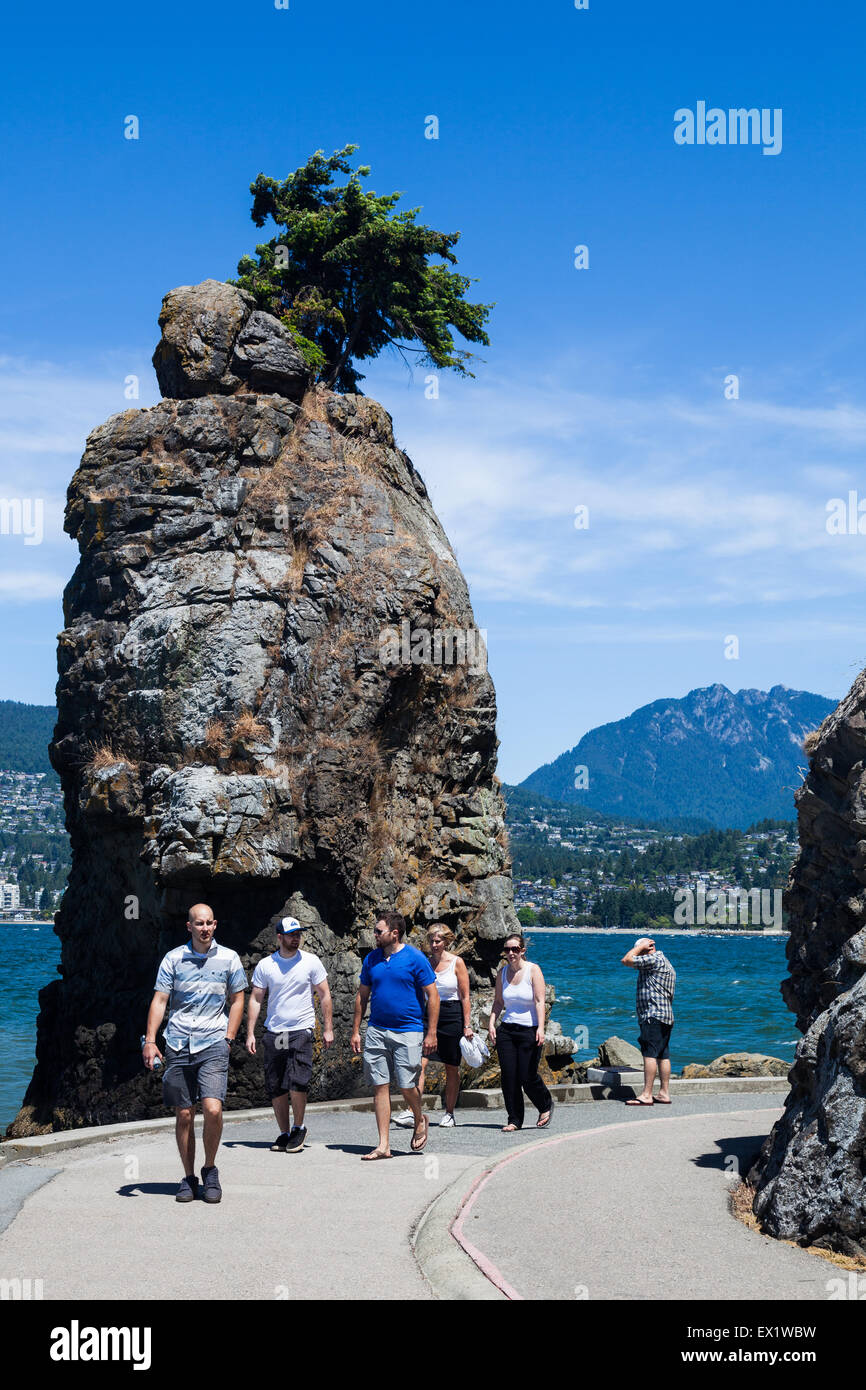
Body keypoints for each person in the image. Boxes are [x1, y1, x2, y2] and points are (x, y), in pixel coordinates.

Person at [143, 903, 246, 1204]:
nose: (204, 928)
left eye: (209, 923)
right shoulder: (173, 958)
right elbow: (160, 1000)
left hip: (214, 1042)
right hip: (178, 1043)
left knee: (213, 1109)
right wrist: (150, 1041)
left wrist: (229, 1037)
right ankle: (188, 1177)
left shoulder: (229, 958)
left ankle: (210, 1170)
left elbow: (238, 999)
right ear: (189, 926)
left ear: (215, 925)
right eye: (198, 924)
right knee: (185, 1113)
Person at [350, 910, 439, 1159]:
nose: (375, 935)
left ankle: (419, 1119)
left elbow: (433, 996)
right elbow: (362, 996)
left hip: (409, 1030)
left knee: (407, 1084)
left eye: (379, 931)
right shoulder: (372, 959)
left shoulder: (415, 958)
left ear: (395, 933)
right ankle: (383, 1146)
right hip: (377, 1030)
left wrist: (431, 1032)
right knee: (379, 1086)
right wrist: (356, 1031)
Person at [246, 916, 334, 1153]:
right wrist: (250, 1033)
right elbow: (256, 999)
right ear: (279, 937)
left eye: (298, 934)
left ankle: (298, 1127)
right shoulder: (266, 965)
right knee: (275, 1084)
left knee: (298, 1080)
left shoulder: (311, 961)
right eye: (291, 935)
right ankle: (285, 1132)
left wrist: (328, 1028)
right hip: (275, 1031)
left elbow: (324, 994)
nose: (296, 938)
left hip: (301, 1029)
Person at [393, 924, 472, 1129]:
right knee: (419, 1064)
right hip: (429, 1015)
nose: (434, 945)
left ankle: (449, 1113)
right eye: (431, 941)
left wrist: (467, 1025)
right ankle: (413, 1111)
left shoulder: (457, 962)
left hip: (452, 1015)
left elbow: (465, 996)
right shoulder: (425, 963)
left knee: (451, 1067)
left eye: (438, 941)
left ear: (446, 941)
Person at [488, 933, 553, 1132]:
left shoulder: (533, 970)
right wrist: (491, 1024)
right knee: (509, 1076)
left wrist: (540, 1028)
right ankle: (514, 1119)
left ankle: (545, 1104)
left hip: (529, 1029)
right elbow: (498, 1002)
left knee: (527, 1075)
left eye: (515, 949)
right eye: (507, 949)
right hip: (507, 1030)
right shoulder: (502, 973)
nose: (511, 953)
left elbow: (540, 1001)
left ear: (522, 950)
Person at [621, 935, 676, 1106]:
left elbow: (626, 960)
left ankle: (646, 1094)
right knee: (663, 1055)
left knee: (649, 1053)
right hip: (666, 1015)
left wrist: (640, 947)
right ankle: (664, 1093)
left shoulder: (654, 959)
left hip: (653, 1014)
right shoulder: (665, 961)